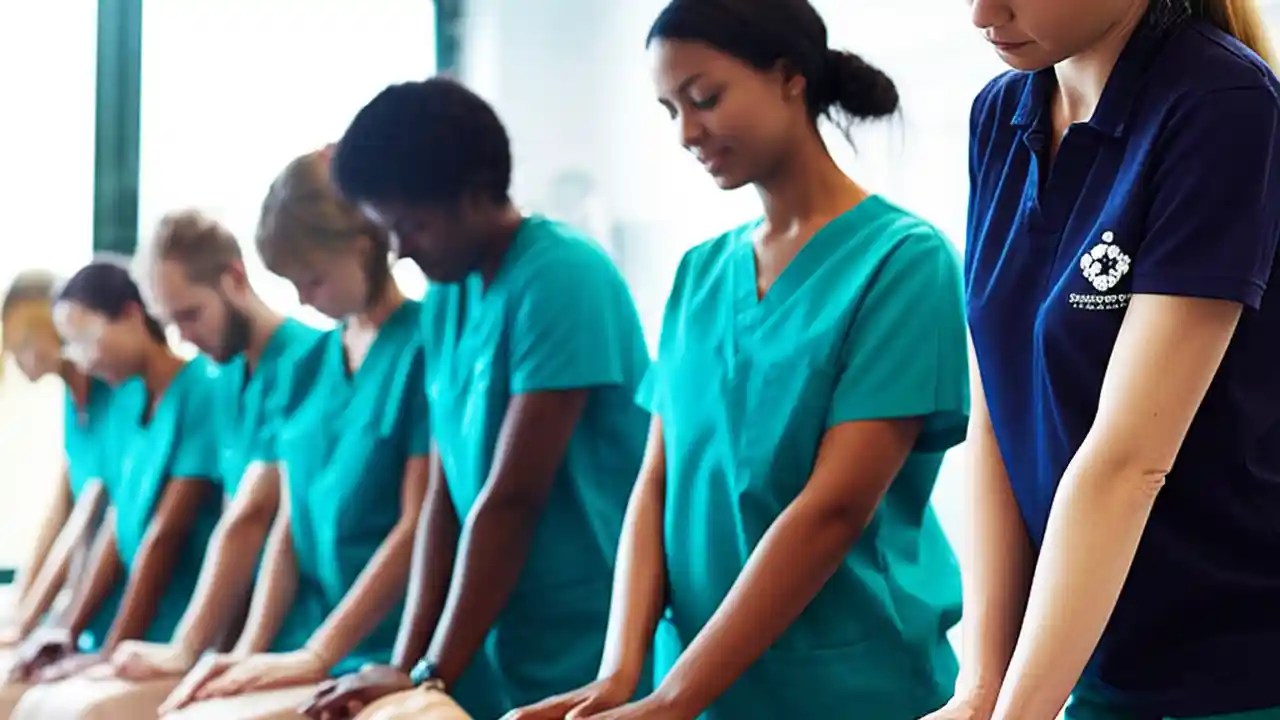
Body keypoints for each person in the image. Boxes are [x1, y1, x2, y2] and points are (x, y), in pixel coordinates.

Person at [510, 0, 971, 718]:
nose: (687, 132)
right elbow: (657, 482)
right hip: (692, 688)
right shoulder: (700, 273)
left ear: (788, 77)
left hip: (847, 688)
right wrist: (621, 672)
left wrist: (672, 699)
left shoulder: (903, 262)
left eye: (705, 98)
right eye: (670, 110)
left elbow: (834, 508)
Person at [931, 0, 1280, 718]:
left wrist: (1019, 710)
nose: (980, 13)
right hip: (1086, 657)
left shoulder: (1224, 105)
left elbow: (1129, 462)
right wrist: (983, 688)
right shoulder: (1000, 116)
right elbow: (999, 412)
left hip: (1234, 669)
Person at [298, 77, 652, 720]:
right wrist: (407, 667)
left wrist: (429, 675)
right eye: (388, 231)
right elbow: (445, 494)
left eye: (414, 226)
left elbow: (511, 498)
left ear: (475, 196)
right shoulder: (449, 297)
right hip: (498, 639)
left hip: (589, 636)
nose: (401, 250)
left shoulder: (561, 276)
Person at [10, 211, 323, 718]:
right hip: (222, 637)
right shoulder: (220, 380)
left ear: (235, 280)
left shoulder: (296, 364)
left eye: (190, 315)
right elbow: (106, 518)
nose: (183, 337)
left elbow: (234, 525)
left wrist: (205, 650)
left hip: (277, 632)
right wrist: (50, 626)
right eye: (172, 321)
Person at [157, 148, 430, 720]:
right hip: (314, 646)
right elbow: (287, 524)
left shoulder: (422, 348)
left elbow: (416, 526)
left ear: (362, 247)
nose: (303, 300)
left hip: (387, 649)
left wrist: (319, 652)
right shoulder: (313, 366)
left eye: (312, 280)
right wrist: (248, 654)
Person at [0, 260, 225, 712]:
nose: (82, 359)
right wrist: (63, 629)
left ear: (131, 316)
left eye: (86, 341)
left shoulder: (199, 389)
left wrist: (107, 653)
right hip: (115, 626)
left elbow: (163, 538)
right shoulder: (128, 401)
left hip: (171, 625)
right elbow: (110, 529)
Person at [0, 271, 118, 706]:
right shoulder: (75, 402)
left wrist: (40, 620)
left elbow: (95, 522)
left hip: (111, 616)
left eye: (17, 345)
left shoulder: (112, 396)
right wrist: (23, 611)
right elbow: (60, 513)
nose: (16, 359)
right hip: (80, 613)